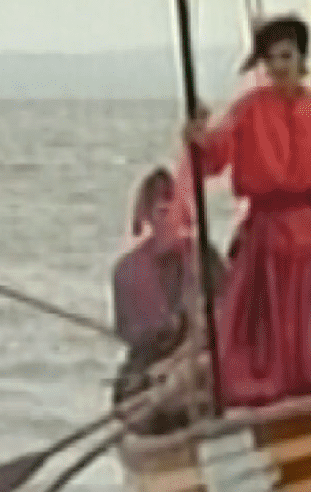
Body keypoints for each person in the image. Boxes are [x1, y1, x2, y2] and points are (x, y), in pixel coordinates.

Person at [185, 14, 311, 408]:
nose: (279, 66)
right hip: (267, 230)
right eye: (272, 59)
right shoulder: (248, 108)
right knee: (263, 326)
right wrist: (199, 138)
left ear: (301, 59)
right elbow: (216, 156)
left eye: (286, 56)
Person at [110, 168, 222, 433]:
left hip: (199, 363)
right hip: (150, 371)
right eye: (162, 212)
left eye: (175, 212)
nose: (170, 221)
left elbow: (228, 310)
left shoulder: (204, 257)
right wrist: (167, 331)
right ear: (147, 216)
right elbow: (131, 333)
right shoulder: (127, 271)